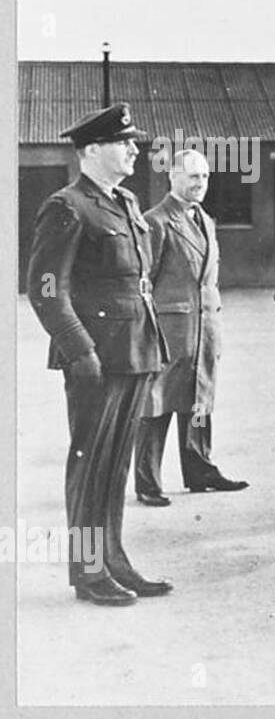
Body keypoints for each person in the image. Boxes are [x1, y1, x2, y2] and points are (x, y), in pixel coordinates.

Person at [27, 103, 172, 605]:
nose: (135, 149)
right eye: (123, 142)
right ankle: (89, 574)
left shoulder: (126, 202)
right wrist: (79, 350)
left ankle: (113, 560)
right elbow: (46, 287)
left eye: (134, 142)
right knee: (91, 465)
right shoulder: (68, 206)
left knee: (114, 466)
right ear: (91, 150)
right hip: (97, 358)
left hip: (136, 350)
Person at [133, 149, 248, 506]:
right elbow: (142, 282)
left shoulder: (205, 219)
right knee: (156, 404)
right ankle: (148, 481)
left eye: (205, 177)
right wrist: (147, 333)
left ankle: (200, 469)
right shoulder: (155, 221)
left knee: (199, 401)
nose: (200, 183)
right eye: (193, 176)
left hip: (205, 327)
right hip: (170, 331)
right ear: (173, 178)